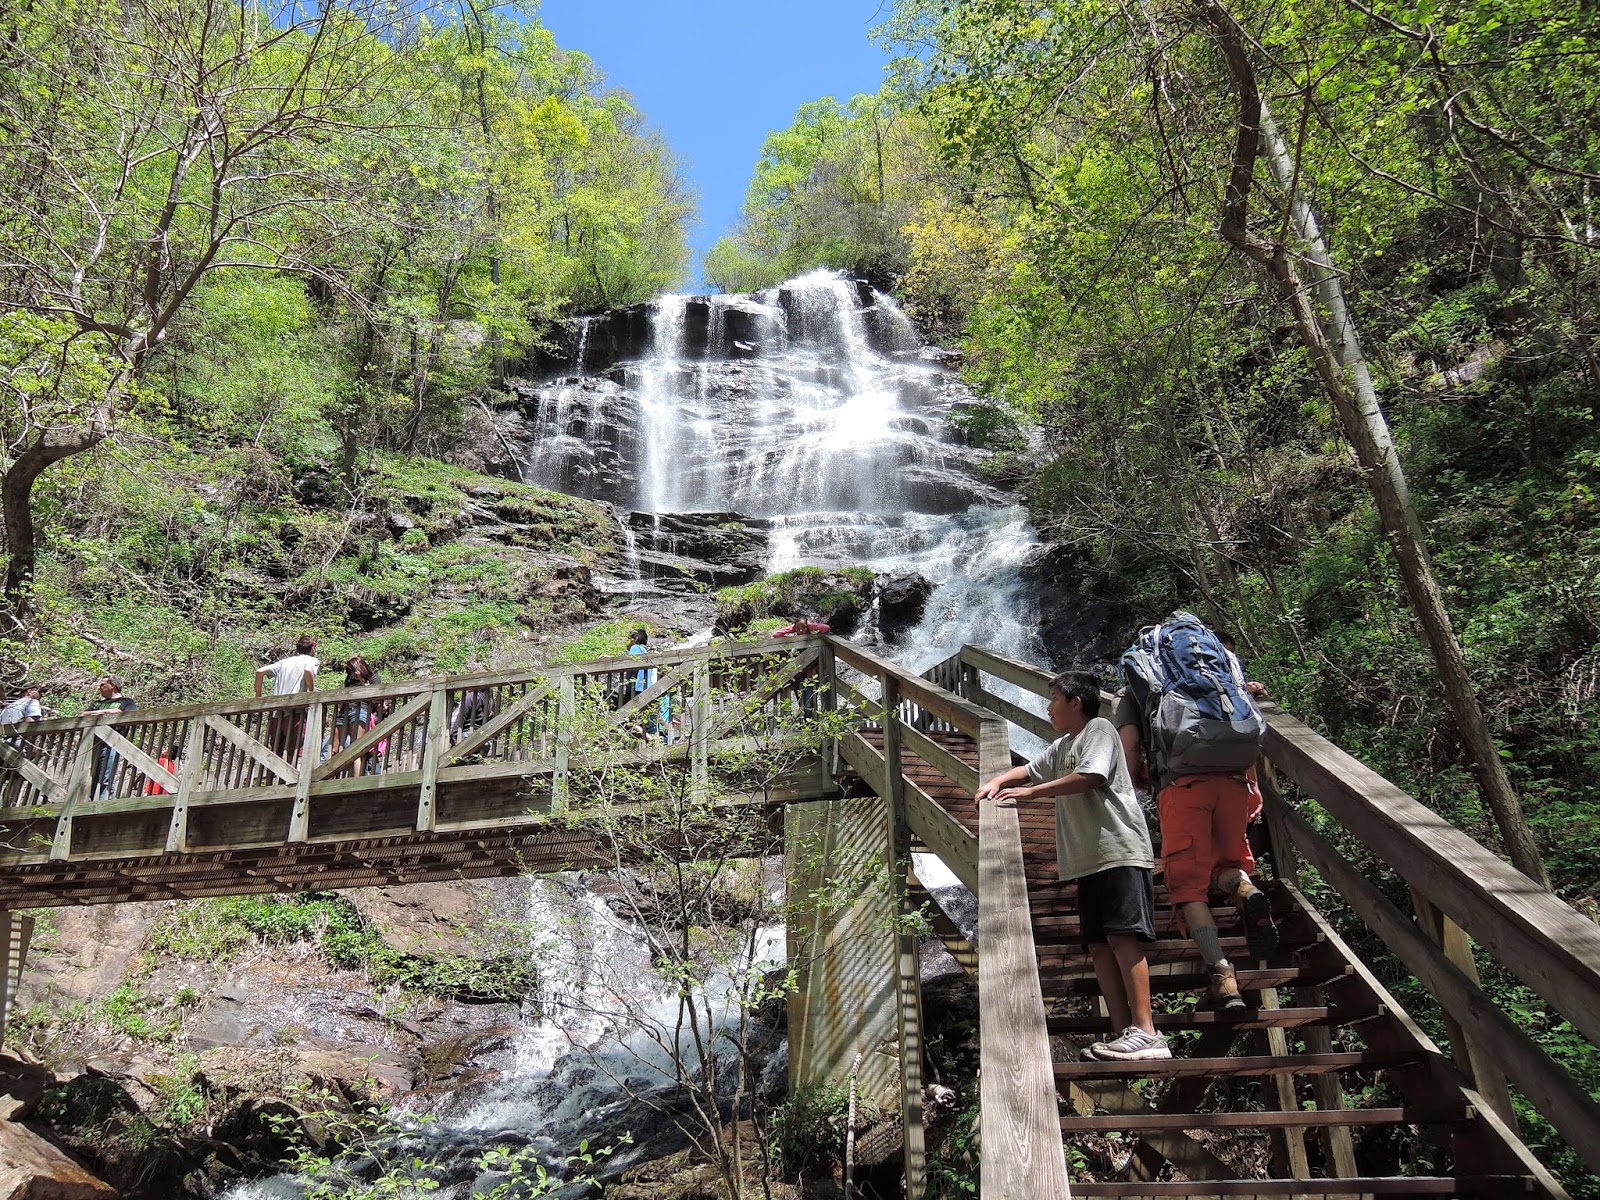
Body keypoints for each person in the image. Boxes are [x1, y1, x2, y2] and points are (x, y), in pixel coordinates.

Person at [976, 671, 1169, 1061]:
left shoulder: (1099, 730)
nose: (1048, 707)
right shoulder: (1064, 744)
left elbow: (1090, 777)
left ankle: (1147, 1032)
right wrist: (998, 781)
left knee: (1123, 937)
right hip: (1088, 861)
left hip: (1118, 850)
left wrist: (1031, 794)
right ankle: (1121, 1033)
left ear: (1075, 702)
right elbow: (1029, 769)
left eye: (1053, 699)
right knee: (1098, 945)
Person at [1116, 626, 1277, 1013]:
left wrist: (1135, 781)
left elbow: (1129, 745)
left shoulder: (1137, 686)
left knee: (1188, 886)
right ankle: (1246, 892)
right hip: (1234, 779)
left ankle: (1222, 976)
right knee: (1228, 863)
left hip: (1184, 787)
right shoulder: (1219, 674)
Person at [256, 635, 320, 759]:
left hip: (277, 713)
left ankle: (274, 772)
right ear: (313, 647)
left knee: (276, 752)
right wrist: (311, 692)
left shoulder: (284, 662)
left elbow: (259, 672)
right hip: (296, 712)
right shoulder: (311, 661)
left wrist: (258, 697)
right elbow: (308, 670)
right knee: (294, 751)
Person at [86, 676, 137, 800]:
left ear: (112, 685)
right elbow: (84, 714)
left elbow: (127, 714)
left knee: (106, 776)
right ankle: (88, 801)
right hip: (91, 743)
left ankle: (103, 801)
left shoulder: (126, 702)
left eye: (103, 684)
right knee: (88, 775)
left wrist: (98, 713)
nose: (100, 687)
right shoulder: (97, 703)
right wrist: (105, 712)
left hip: (112, 742)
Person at [332, 656, 380, 775]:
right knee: (334, 748)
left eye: (353, 671)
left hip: (361, 710)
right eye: (350, 672)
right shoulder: (349, 680)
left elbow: (375, 701)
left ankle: (356, 779)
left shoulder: (373, 678)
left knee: (356, 748)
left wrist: (363, 683)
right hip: (344, 712)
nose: (352, 674)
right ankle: (330, 776)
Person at [625, 628, 670, 740]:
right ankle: (659, 739)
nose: (627, 642)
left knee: (625, 718)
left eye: (629, 639)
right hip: (648, 690)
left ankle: (652, 740)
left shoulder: (635, 648)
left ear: (635, 639)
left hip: (636, 689)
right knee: (650, 719)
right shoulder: (646, 652)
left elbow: (629, 662)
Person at [1217, 631, 1269, 698]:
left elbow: (1238, 681)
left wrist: (1250, 685)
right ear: (1227, 643)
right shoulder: (1226, 658)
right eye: (1231, 649)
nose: (1232, 653)